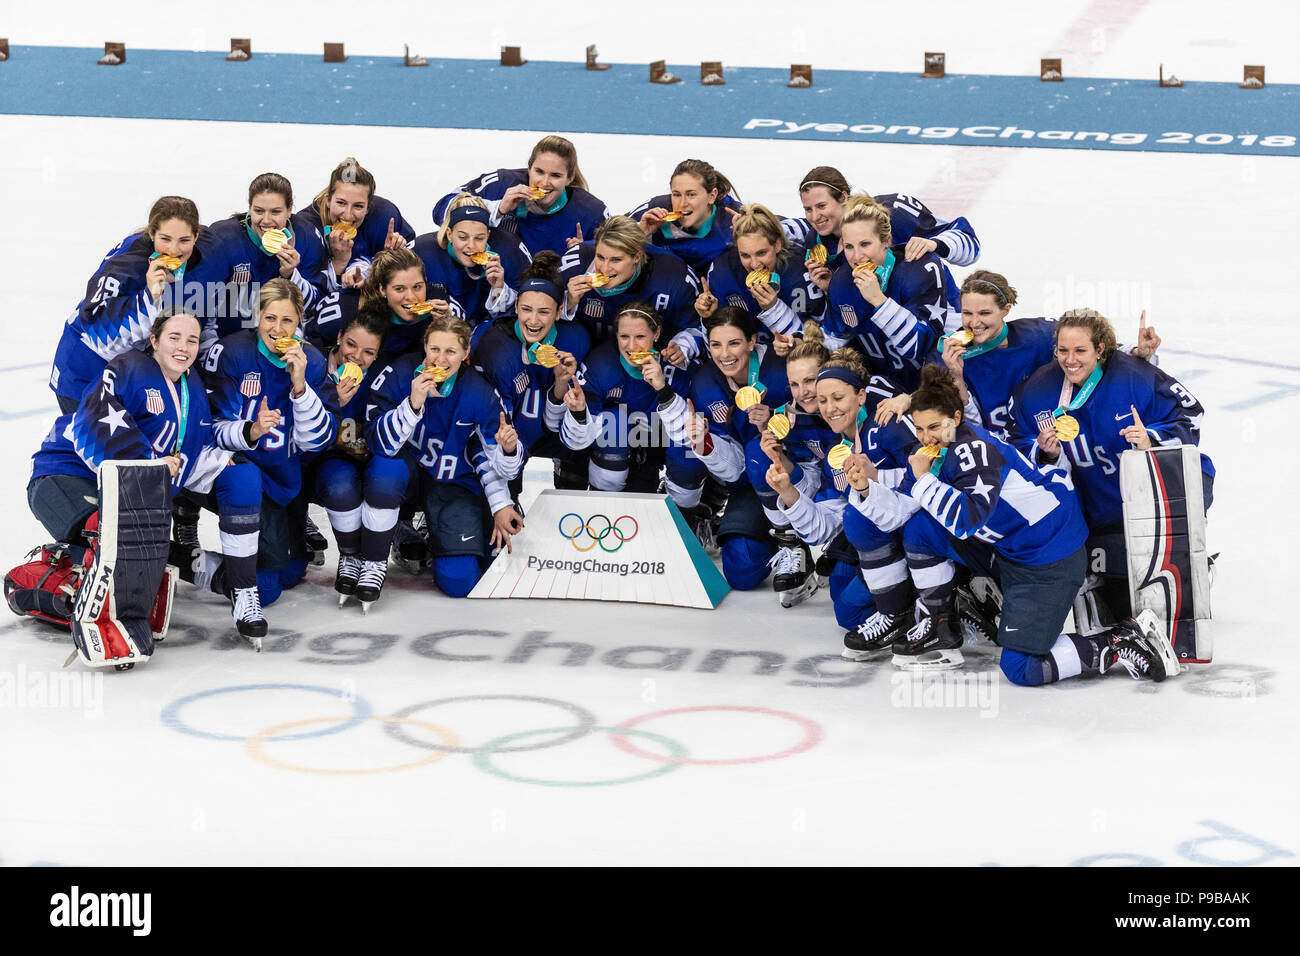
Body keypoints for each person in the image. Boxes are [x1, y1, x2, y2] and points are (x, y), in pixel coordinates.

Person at [867, 365, 1180, 683]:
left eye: (934, 426)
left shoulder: (973, 451)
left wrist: (922, 481)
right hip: (1013, 548)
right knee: (921, 529)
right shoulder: (937, 451)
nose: (925, 437)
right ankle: (941, 625)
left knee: (1021, 667)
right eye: (919, 429)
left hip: (1051, 558)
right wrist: (864, 490)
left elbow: (966, 521)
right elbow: (900, 512)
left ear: (957, 419)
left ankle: (1118, 640)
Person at [17, 308, 230, 654]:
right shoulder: (129, 368)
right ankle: (84, 598)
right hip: (61, 475)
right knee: (116, 535)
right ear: (154, 340)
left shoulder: (192, 390)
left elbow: (187, 455)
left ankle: (68, 564)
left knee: (134, 538)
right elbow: (92, 423)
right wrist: (148, 464)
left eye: (191, 340)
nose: (184, 346)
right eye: (174, 337)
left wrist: (226, 458)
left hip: (115, 492)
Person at [1008, 308, 1213, 625]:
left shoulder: (1134, 377)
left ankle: (1190, 562)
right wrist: (1044, 452)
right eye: (1063, 350)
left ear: (1100, 349)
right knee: (1123, 611)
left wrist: (1151, 440)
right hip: (1101, 508)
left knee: (1164, 604)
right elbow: (1014, 442)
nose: (1070, 359)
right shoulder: (1037, 391)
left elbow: (1190, 415)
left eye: (1080, 350)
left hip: (1160, 493)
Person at [199, 279, 338, 642]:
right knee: (266, 589)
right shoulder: (232, 354)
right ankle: (194, 562)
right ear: (257, 316)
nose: (278, 329)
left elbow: (316, 442)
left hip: (281, 480)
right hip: (236, 474)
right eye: (270, 318)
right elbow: (206, 426)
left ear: (300, 323)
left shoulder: (313, 361)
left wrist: (300, 387)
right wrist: (250, 431)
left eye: (287, 321)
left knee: (289, 573)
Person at [873, 270, 1165, 440]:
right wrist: (932, 387)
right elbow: (956, 421)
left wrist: (1139, 352)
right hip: (996, 453)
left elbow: (1087, 348)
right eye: (967, 313)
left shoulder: (1038, 335)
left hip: (1048, 442)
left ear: (1006, 309)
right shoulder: (948, 355)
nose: (974, 323)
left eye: (985, 313)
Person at [367, 316, 525, 598]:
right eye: (435, 349)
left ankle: (434, 534)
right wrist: (413, 404)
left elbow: (495, 462)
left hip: (450, 483)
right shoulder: (402, 374)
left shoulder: (480, 393)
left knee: (461, 581)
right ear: (425, 346)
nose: (440, 359)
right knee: (384, 471)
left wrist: (507, 454)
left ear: (465, 354)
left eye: (451, 351)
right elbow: (381, 445)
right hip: (408, 478)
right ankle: (377, 552)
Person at [748, 327, 899, 618]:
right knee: (845, 603)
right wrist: (787, 488)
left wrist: (907, 400)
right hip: (857, 511)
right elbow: (824, 513)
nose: (804, 392)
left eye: (810, 381)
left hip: (907, 514)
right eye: (794, 384)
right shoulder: (795, 421)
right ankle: (791, 542)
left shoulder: (879, 406)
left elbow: (933, 415)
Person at [660, 308, 791, 589]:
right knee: (742, 571)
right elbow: (736, 473)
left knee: (760, 451)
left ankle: (793, 538)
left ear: (752, 341)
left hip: (801, 470)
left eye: (734, 343)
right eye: (716, 344)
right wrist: (705, 444)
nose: (724, 354)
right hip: (759, 478)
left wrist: (778, 421)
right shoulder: (707, 381)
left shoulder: (782, 368)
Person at [51, 196, 217, 412]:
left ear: (196, 236)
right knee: (102, 445)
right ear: (152, 233)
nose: (174, 249)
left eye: (184, 240)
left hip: (132, 376)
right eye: (165, 239)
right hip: (86, 373)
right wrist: (149, 297)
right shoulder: (128, 265)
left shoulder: (209, 253)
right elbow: (99, 332)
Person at [299, 302, 406, 608]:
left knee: (386, 475)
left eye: (369, 353)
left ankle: (373, 560)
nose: (356, 357)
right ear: (340, 336)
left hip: (367, 456)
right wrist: (331, 405)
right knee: (340, 484)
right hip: (322, 462)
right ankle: (350, 555)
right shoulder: (314, 365)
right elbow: (304, 440)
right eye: (350, 345)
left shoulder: (383, 376)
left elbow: (381, 434)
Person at [471, 251, 593, 497]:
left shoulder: (576, 339)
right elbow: (490, 423)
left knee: (594, 441)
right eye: (526, 309)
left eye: (544, 312)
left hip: (545, 425)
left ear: (559, 312)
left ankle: (571, 492)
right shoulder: (492, 345)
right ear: (515, 306)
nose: (533, 320)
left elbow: (555, 423)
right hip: (507, 430)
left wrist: (561, 385)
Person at [787, 166, 978, 308]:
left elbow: (971, 245)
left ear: (843, 196)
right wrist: (831, 289)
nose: (815, 216)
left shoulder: (894, 214)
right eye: (808, 209)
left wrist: (934, 243)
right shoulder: (816, 242)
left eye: (821, 206)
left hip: (941, 318)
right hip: (882, 335)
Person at [554, 302, 689, 494]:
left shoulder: (677, 365)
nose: (632, 346)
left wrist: (663, 389)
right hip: (614, 445)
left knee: (688, 456)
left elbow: (691, 437)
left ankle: (688, 513)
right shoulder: (600, 366)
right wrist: (578, 415)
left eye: (640, 336)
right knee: (613, 422)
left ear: (656, 333)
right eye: (624, 336)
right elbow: (573, 441)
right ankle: (602, 500)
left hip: (657, 442)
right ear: (616, 335)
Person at [822, 194, 949, 389]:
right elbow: (833, 341)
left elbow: (918, 346)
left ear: (886, 240)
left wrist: (879, 301)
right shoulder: (840, 282)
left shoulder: (920, 269)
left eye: (865, 244)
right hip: (882, 385)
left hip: (935, 385)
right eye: (849, 246)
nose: (857, 257)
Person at [432, 134, 610, 258]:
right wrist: (498, 208)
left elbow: (615, 258)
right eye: (539, 172)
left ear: (569, 178)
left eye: (555, 176)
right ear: (529, 167)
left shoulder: (592, 212)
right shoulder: (500, 184)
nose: (545, 182)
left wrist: (586, 253)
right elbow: (440, 210)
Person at [196, 173, 321, 347]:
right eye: (258, 211)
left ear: (290, 209)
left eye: (276, 212)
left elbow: (313, 306)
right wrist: (210, 350)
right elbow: (201, 299)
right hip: (229, 342)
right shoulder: (223, 238)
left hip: (280, 342)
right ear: (249, 207)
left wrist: (292, 275)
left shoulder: (306, 237)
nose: (266, 220)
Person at [558, 215, 702, 357]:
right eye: (600, 257)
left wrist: (683, 346)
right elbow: (539, 310)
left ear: (637, 257)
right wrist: (566, 302)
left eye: (616, 260)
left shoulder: (675, 277)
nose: (605, 269)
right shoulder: (575, 262)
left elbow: (700, 327)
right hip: (592, 355)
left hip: (651, 357)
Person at [697, 204, 822, 338]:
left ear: (778, 245)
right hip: (748, 354)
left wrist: (773, 308)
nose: (755, 264)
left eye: (761, 253)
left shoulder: (801, 272)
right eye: (745, 255)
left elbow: (815, 343)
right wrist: (709, 319)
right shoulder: (721, 273)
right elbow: (720, 350)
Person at [294, 157, 415, 295]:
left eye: (358, 206)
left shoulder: (385, 216)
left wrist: (394, 255)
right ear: (327, 200)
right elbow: (305, 293)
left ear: (369, 207)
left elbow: (413, 274)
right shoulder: (306, 228)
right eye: (341, 203)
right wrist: (338, 264)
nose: (347, 215)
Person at [412, 196, 532, 334]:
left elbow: (509, 317)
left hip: (486, 335)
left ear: (488, 235)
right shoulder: (421, 251)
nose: (471, 246)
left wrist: (498, 288)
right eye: (463, 237)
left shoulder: (510, 250)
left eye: (479, 238)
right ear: (449, 234)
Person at [628, 159, 744, 275]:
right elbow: (611, 243)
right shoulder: (654, 212)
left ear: (712, 196)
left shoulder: (734, 218)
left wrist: (746, 235)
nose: (682, 203)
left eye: (691, 194)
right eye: (676, 194)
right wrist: (640, 233)